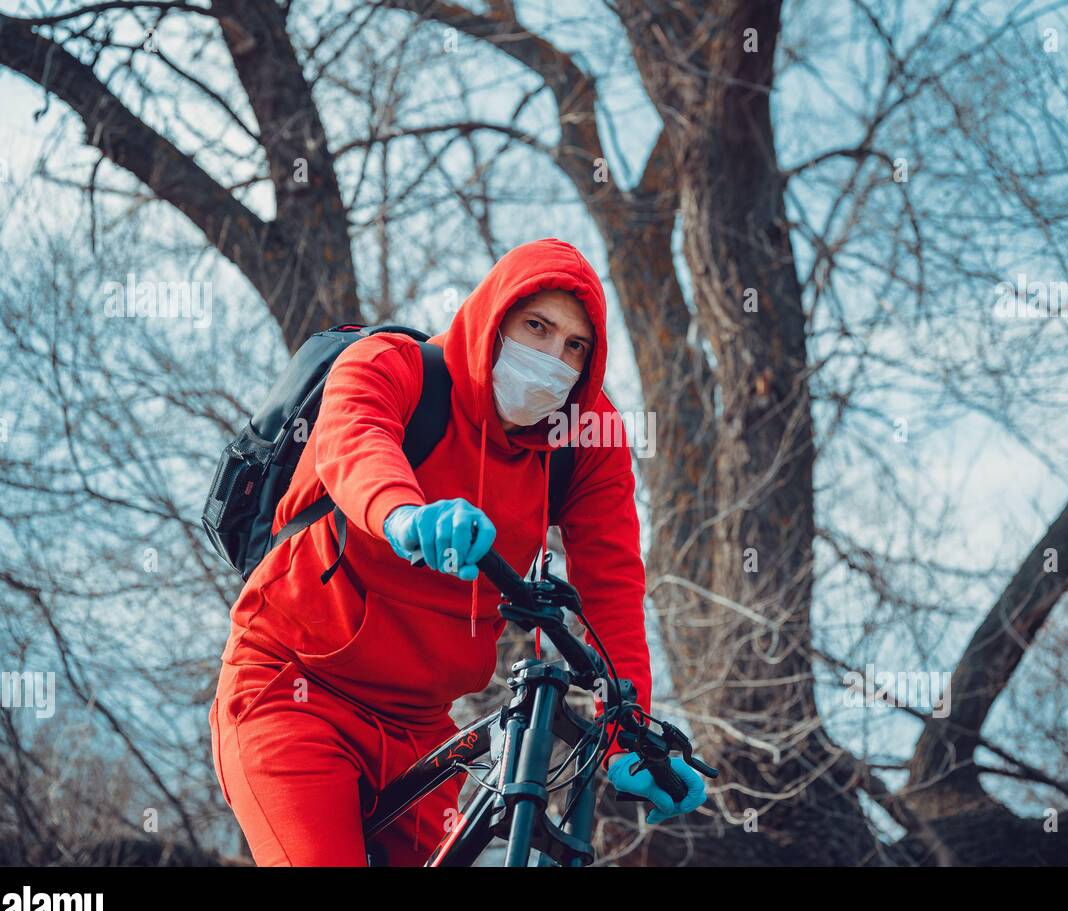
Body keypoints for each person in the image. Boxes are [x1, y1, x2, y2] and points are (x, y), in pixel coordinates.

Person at [208, 237, 706, 866]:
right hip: (291, 691)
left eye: (574, 346)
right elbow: (354, 442)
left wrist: (630, 728)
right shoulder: (393, 364)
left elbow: (612, 585)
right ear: (496, 316)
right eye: (537, 327)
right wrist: (405, 515)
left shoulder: (585, 438)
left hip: (422, 732)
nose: (553, 358)